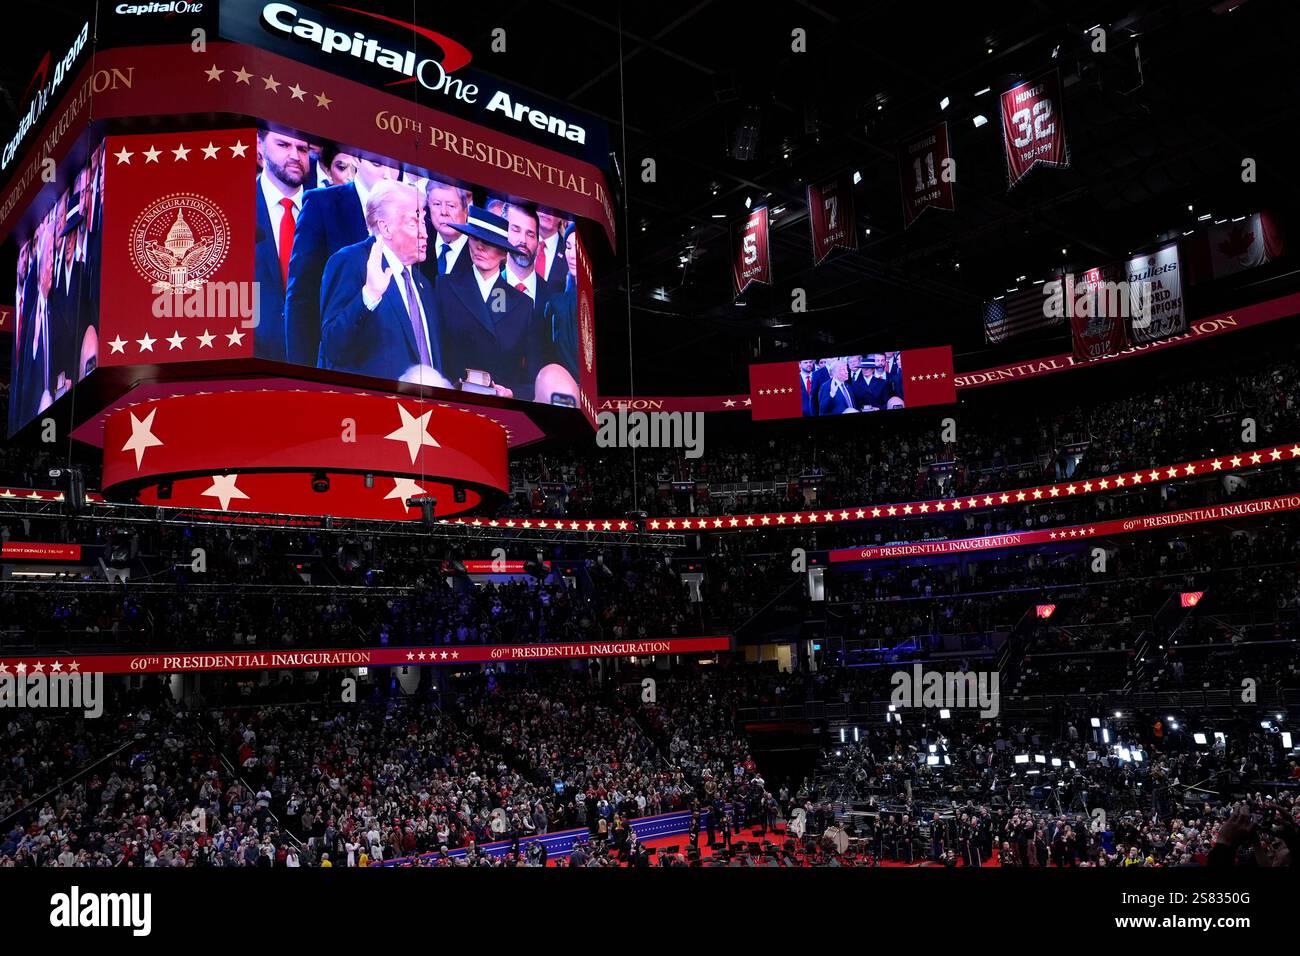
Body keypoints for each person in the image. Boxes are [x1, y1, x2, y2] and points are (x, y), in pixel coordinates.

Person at [318, 180, 444, 382]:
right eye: (414, 223)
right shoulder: (351, 261)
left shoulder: (424, 285)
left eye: (423, 222)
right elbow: (333, 347)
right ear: (385, 228)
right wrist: (369, 296)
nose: (425, 233)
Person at [284, 155, 399, 366]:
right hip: (336, 360)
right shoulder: (322, 204)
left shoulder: (409, 214)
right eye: (377, 164)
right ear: (356, 159)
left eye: (396, 167)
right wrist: (302, 371)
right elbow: (301, 296)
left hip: (391, 362)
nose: (388, 175)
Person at [434, 204, 533, 397]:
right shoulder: (444, 287)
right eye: (475, 238)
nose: (480, 247)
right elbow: (433, 352)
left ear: (504, 253)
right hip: (451, 401)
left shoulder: (523, 305)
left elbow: (532, 379)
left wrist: (510, 393)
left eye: (490, 243)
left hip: (500, 409)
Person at [253, 129, 309, 362]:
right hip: (251, 363)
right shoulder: (232, 205)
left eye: (302, 149)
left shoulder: (330, 208)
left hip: (315, 365)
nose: (295, 155)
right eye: (283, 145)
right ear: (259, 145)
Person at [424, 178, 474, 284]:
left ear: (466, 211)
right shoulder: (419, 242)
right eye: (437, 204)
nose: (443, 212)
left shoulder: (478, 252)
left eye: (451, 205)